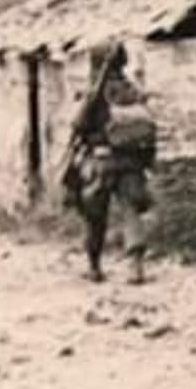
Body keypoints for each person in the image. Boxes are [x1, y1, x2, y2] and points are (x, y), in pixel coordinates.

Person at [62, 41, 157, 285]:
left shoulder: (96, 94)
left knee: (95, 217)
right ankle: (135, 267)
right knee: (131, 213)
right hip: (130, 164)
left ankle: (94, 267)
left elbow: (79, 126)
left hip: (101, 163)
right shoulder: (131, 90)